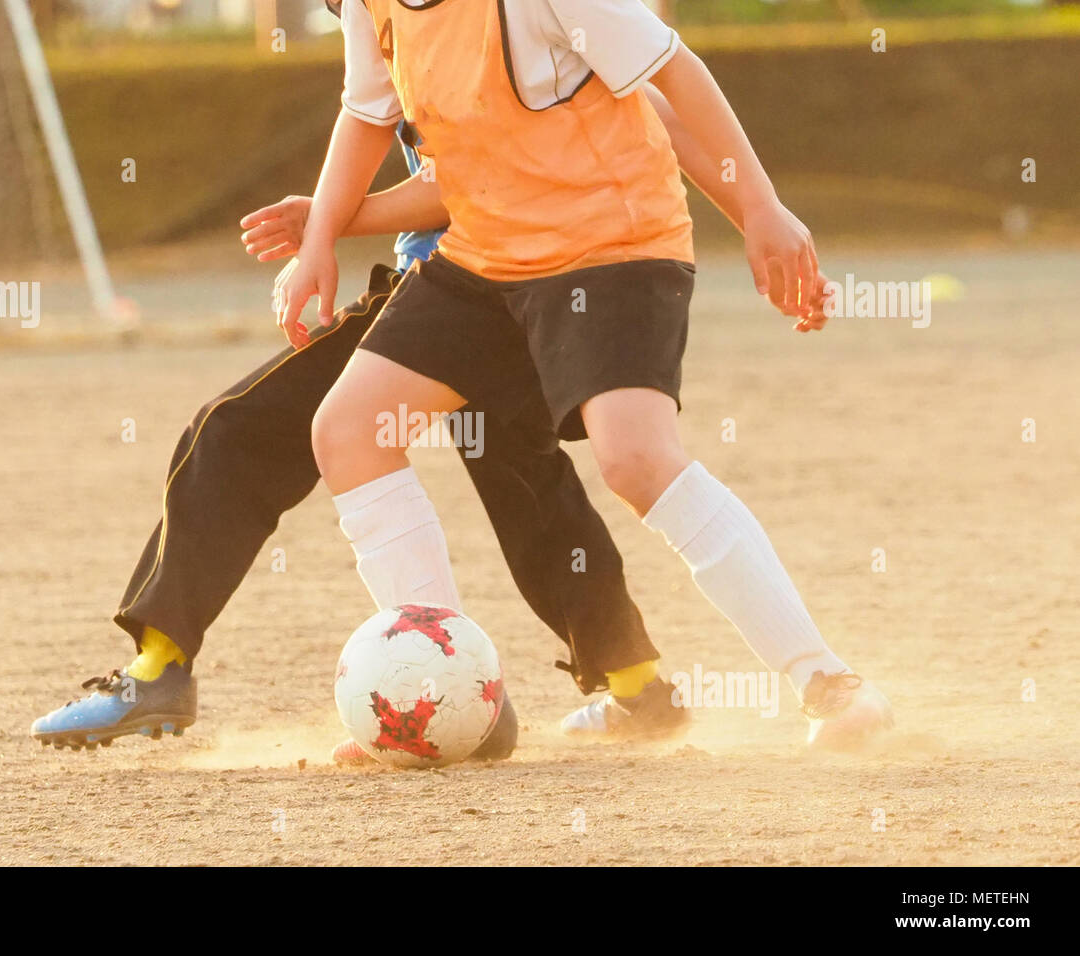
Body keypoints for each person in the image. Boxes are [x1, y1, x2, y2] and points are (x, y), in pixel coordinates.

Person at [280, 0, 892, 749]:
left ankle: (827, 683)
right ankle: (452, 700)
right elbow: (366, 117)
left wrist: (761, 209)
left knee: (634, 458)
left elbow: (674, 76)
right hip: (484, 252)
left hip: (615, 243)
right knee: (349, 431)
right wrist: (317, 242)